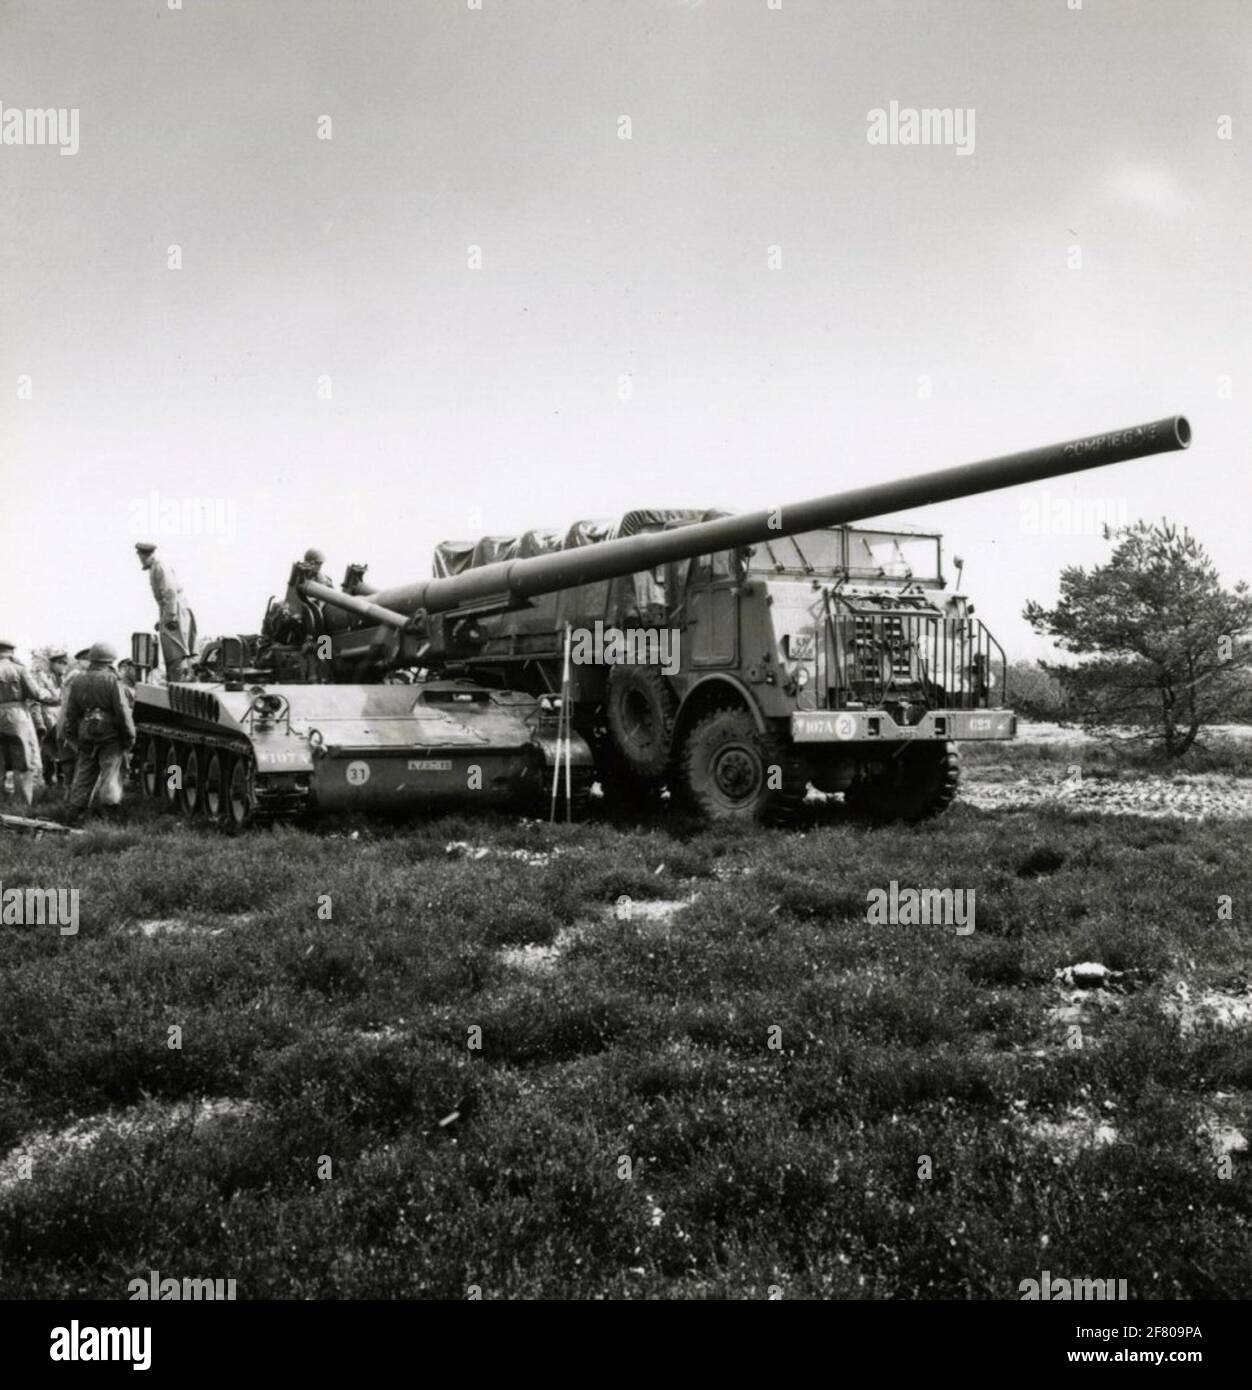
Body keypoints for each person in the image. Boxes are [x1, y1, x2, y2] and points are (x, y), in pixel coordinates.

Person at [61, 642, 135, 824]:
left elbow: (71, 711)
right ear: (110, 660)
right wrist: (129, 736)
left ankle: (74, 813)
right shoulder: (112, 681)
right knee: (110, 771)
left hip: (85, 730)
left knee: (84, 771)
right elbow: (122, 711)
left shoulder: (78, 680)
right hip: (109, 733)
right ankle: (110, 816)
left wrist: (72, 735)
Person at [0, 640, 59, 811]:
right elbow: (36, 693)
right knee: (23, 763)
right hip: (16, 716)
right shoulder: (18, 669)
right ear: (11, 652)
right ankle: (22, 805)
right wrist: (55, 696)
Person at [135, 542, 197, 680]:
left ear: (145, 555)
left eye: (141, 556)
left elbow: (170, 592)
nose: (140, 559)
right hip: (171, 608)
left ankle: (180, 678)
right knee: (173, 650)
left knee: (176, 649)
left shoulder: (160, 567)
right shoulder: (154, 567)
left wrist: (169, 617)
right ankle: (178, 676)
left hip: (175, 607)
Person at [32, 649, 70, 784]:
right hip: (47, 713)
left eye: (65, 663)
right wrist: (58, 695)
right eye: (60, 663)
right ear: (53, 663)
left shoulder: (65, 677)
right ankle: (49, 779)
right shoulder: (41, 676)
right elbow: (40, 695)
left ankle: (61, 778)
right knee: (48, 749)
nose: (63, 666)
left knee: (63, 746)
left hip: (62, 713)